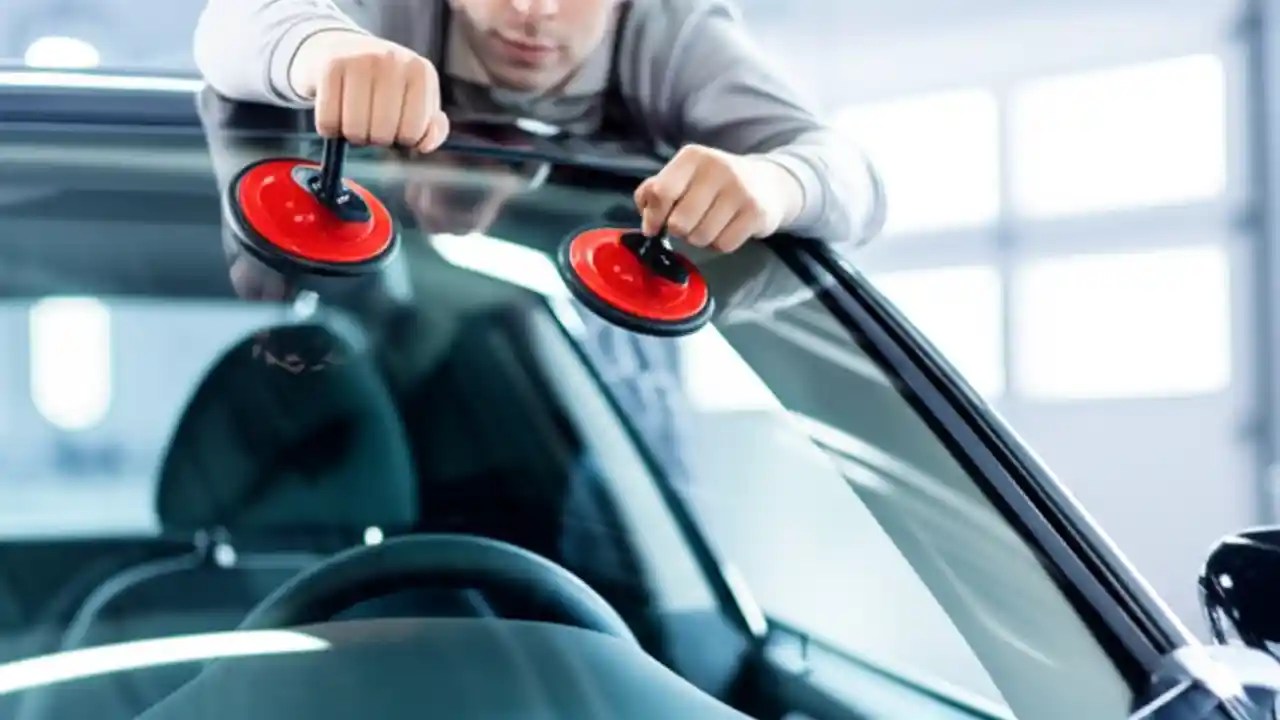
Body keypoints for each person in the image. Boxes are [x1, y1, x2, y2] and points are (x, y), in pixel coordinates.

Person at [192, 0, 886, 254]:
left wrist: (773, 182)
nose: (533, 11)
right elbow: (231, 23)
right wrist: (323, 49)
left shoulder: (669, 31)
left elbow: (856, 182)